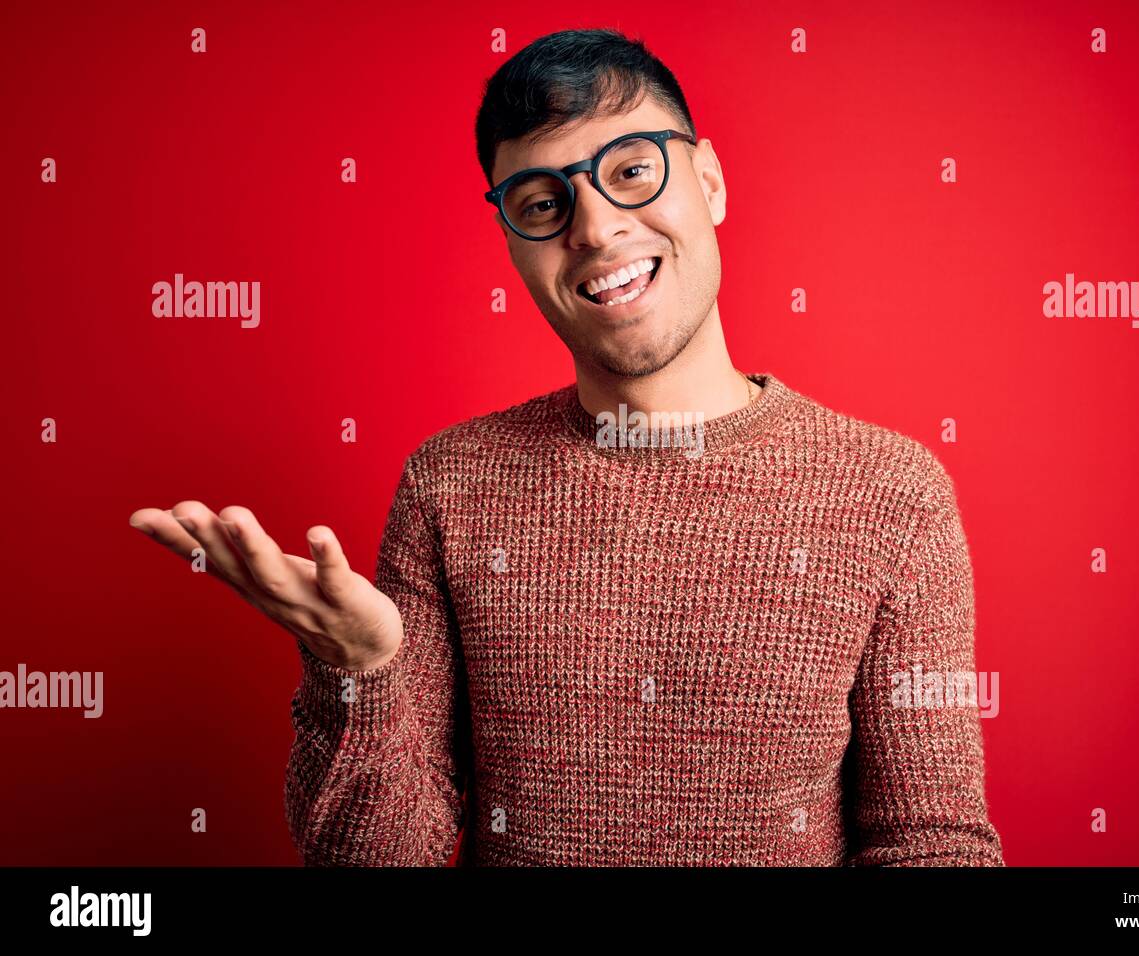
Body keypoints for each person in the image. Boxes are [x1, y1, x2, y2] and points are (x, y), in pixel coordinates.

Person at [128, 27, 1004, 867]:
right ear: (514, 243)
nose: (593, 228)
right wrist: (357, 673)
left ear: (710, 182)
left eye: (632, 170)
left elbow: (930, 845)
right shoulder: (451, 484)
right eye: (545, 202)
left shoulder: (893, 493)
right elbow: (375, 859)